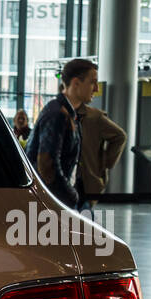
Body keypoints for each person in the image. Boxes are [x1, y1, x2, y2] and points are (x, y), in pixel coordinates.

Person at [26, 58, 97, 210]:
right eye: (92, 82)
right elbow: (46, 165)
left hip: (57, 200)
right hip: (53, 203)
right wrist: (70, 195)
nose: (96, 88)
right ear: (76, 83)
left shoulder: (68, 113)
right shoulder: (57, 114)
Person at [75, 102, 127, 213]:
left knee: (81, 219)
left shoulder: (94, 117)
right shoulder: (58, 114)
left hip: (85, 181)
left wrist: (106, 162)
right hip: (63, 181)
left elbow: (120, 136)